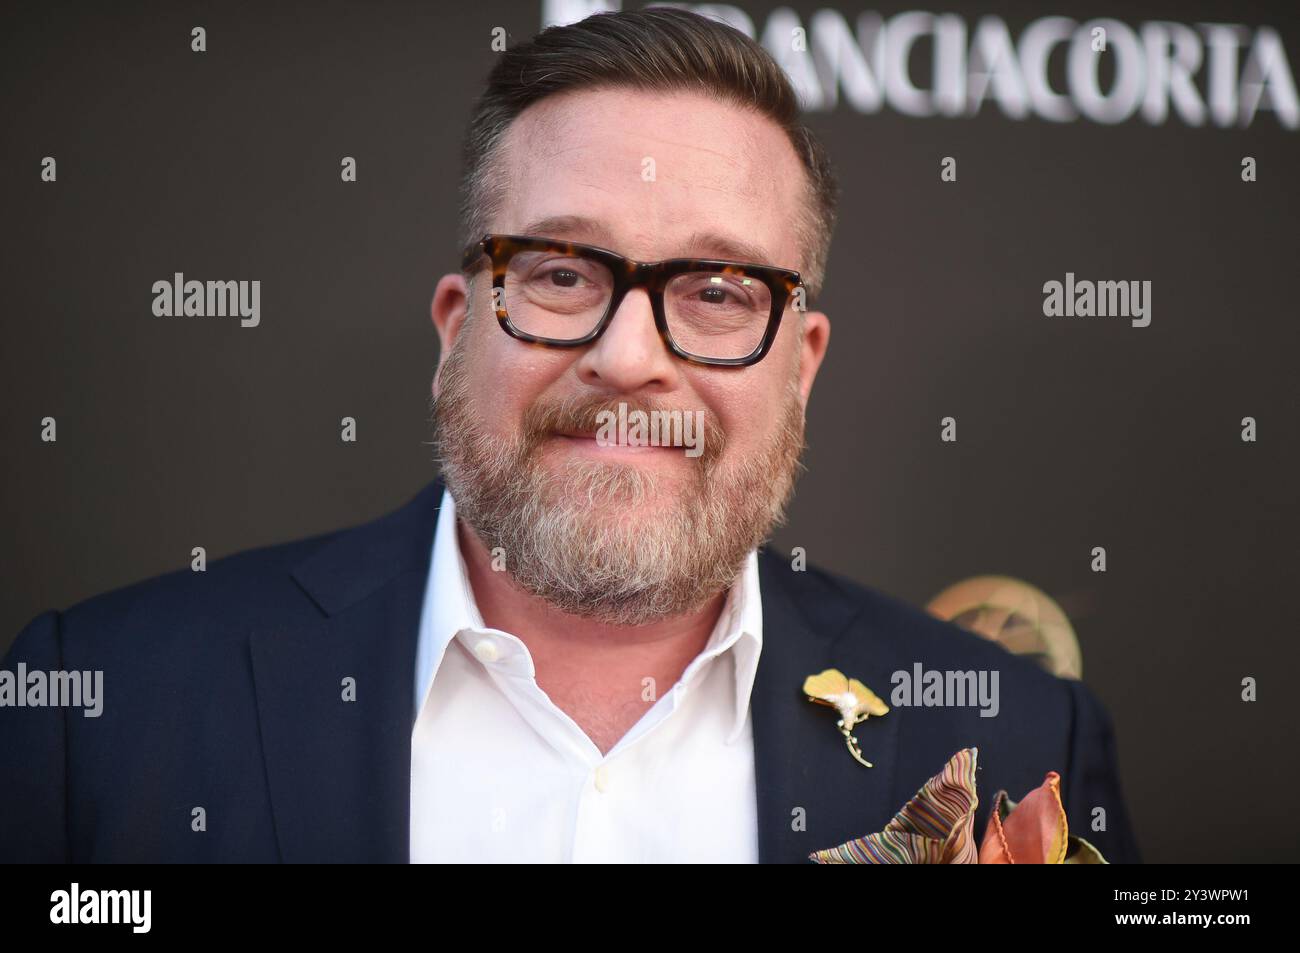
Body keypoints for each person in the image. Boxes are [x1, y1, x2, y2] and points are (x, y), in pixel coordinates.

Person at [0, 8, 1139, 863]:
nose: (630, 356)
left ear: (802, 362)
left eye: (718, 290)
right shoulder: (96, 710)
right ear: (456, 330)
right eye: (558, 271)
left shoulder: (1018, 732)